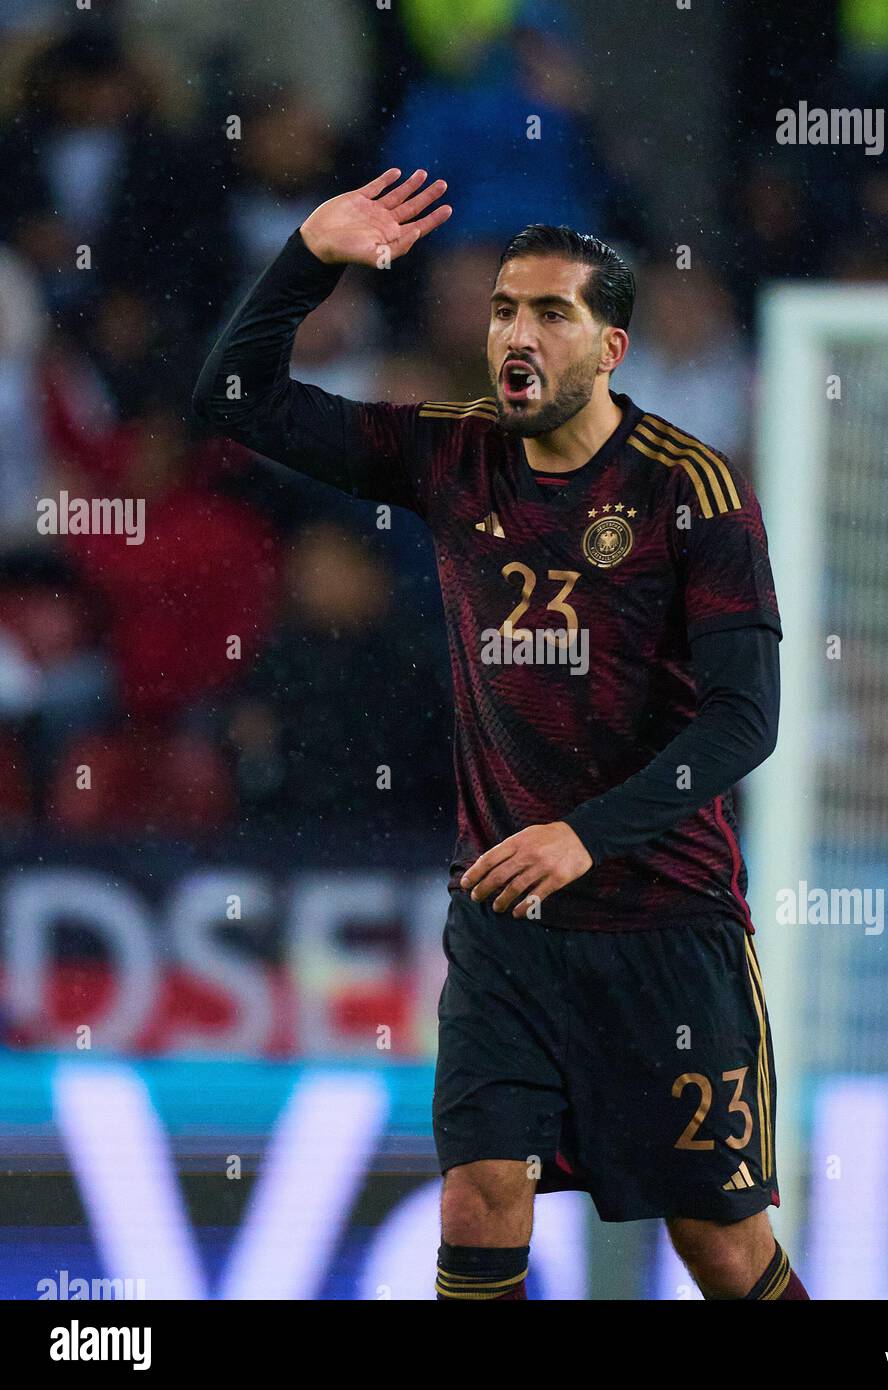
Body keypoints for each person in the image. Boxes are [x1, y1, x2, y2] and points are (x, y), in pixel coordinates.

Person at [193, 169, 807, 1302]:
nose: (514, 334)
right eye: (502, 310)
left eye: (549, 312)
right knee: (480, 1193)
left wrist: (586, 832)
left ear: (611, 346)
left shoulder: (693, 492)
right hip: (505, 924)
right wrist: (306, 259)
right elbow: (233, 398)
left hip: (665, 926)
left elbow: (746, 717)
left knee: (717, 1244)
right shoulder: (448, 451)